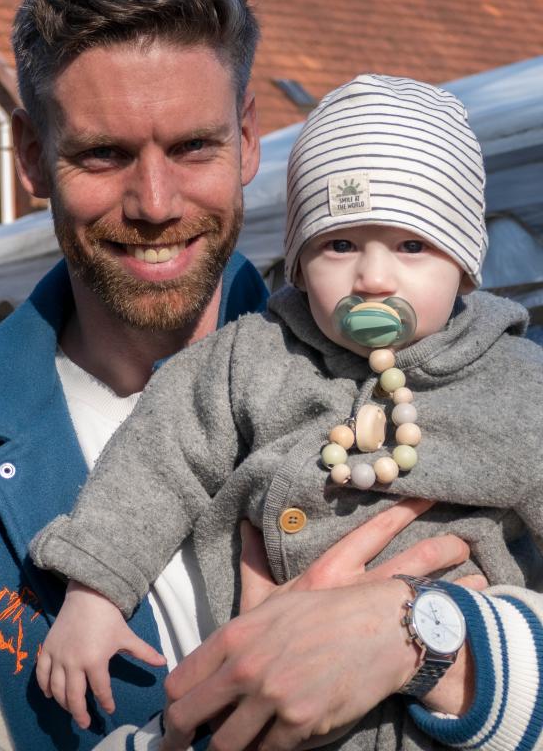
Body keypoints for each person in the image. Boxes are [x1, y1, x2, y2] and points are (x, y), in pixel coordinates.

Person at [0, 0, 473, 751]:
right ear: (30, 156)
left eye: (193, 146)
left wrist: (427, 640)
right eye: (104, 154)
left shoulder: (440, 363)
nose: (155, 202)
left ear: (247, 139)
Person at [31, 74, 543, 751]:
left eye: (412, 246)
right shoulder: (252, 356)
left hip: (451, 712)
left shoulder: (518, 384)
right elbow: (158, 457)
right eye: (340, 245)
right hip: (266, 711)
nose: (374, 277)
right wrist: (94, 594)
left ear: (466, 265)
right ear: (299, 262)